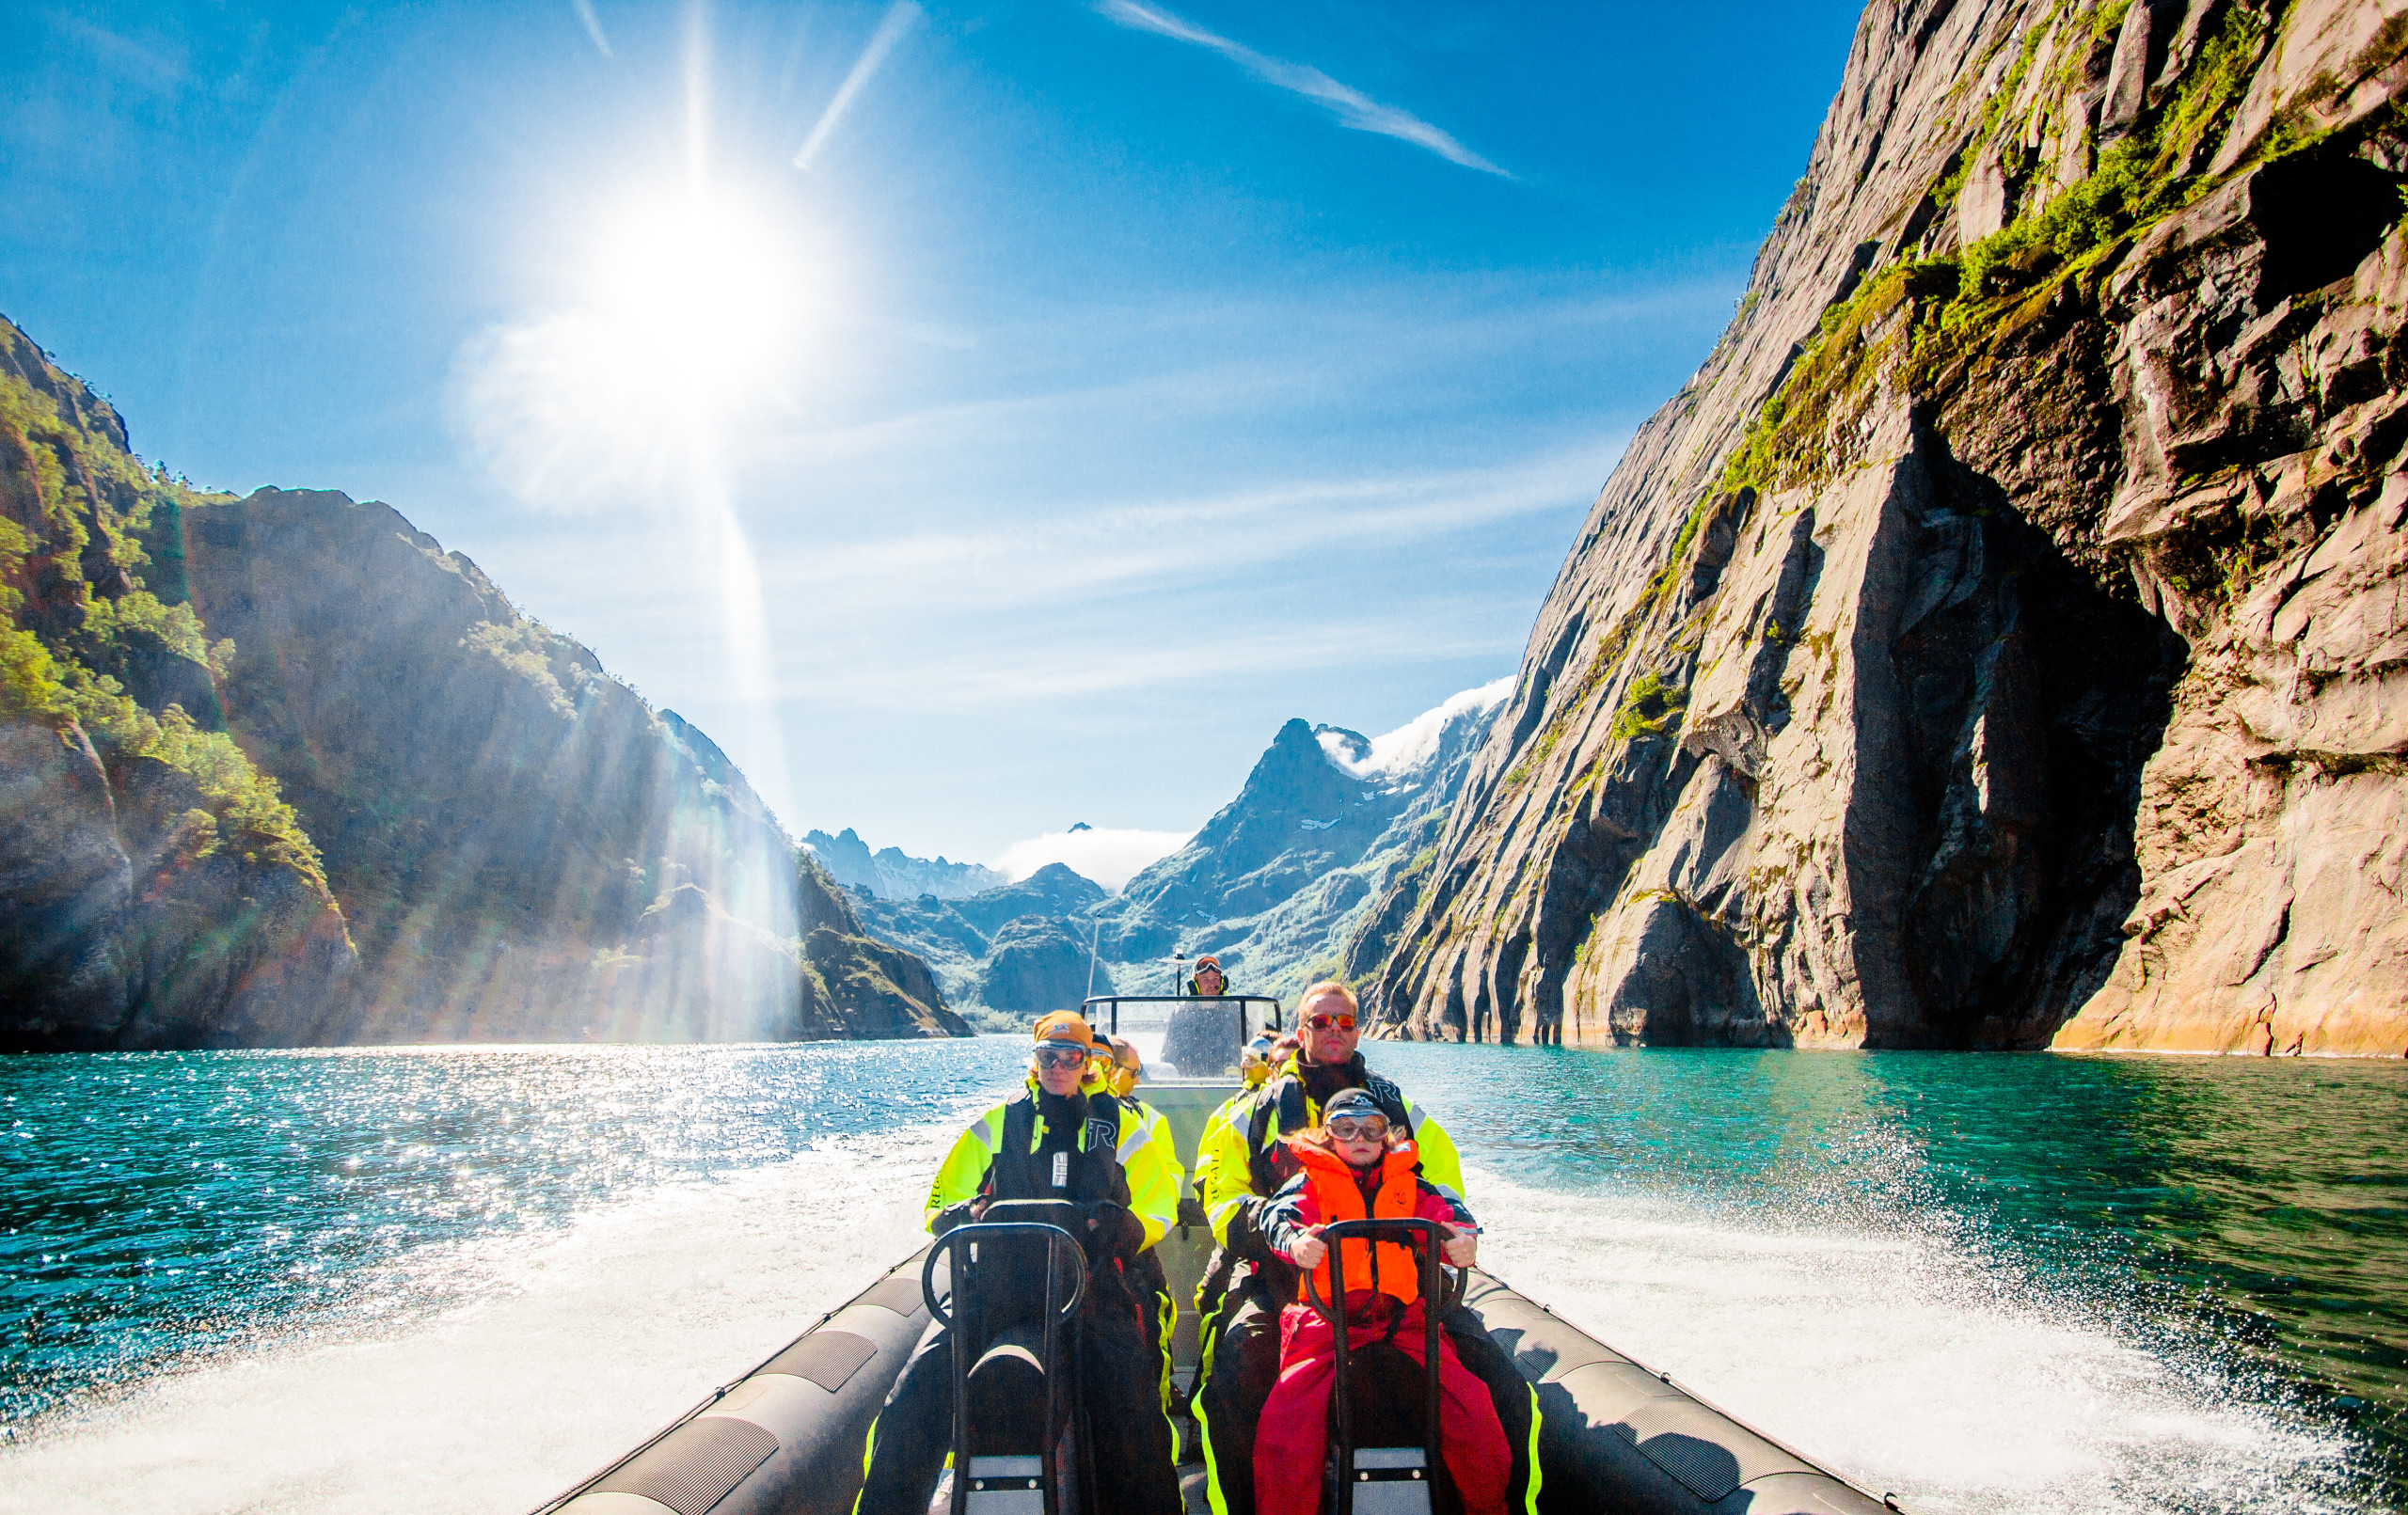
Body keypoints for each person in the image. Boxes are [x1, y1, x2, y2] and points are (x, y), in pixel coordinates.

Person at [1191, 983, 1537, 1515]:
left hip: (1403, 1295)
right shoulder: (1252, 1113)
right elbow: (1220, 1192)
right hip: (1289, 1284)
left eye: (1345, 1022)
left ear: (1357, 1028)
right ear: (1301, 1030)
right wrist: (1280, 1235)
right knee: (1235, 1379)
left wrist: (1454, 1238)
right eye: (1321, 1022)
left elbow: (1442, 1184)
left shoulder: (1395, 1106)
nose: (1334, 1031)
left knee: (1506, 1390)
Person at [853, 1013, 1182, 1515]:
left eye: (1069, 1057)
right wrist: (962, 1214)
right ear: (1036, 1058)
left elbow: (1159, 1206)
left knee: (1132, 1405)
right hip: (995, 1292)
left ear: (1086, 1062)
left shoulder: (1123, 1128)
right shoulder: (997, 1124)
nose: (1057, 1066)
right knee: (912, 1396)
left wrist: (1124, 1228)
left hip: (1088, 1292)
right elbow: (940, 1203)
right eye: (1048, 1056)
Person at [1253, 1091, 1510, 1515]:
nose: (1359, 1138)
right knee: (1286, 1430)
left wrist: (1462, 1243)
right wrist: (1297, 1243)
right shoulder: (1308, 1181)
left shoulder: (1409, 1183)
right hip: (1326, 1322)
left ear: (1385, 1135)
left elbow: (1451, 1218)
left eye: (1370, 1128)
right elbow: (1277, 1217)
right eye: (1345, 1128)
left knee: (1474, 1411)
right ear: (1328, 1134)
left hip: (1402, 1321)